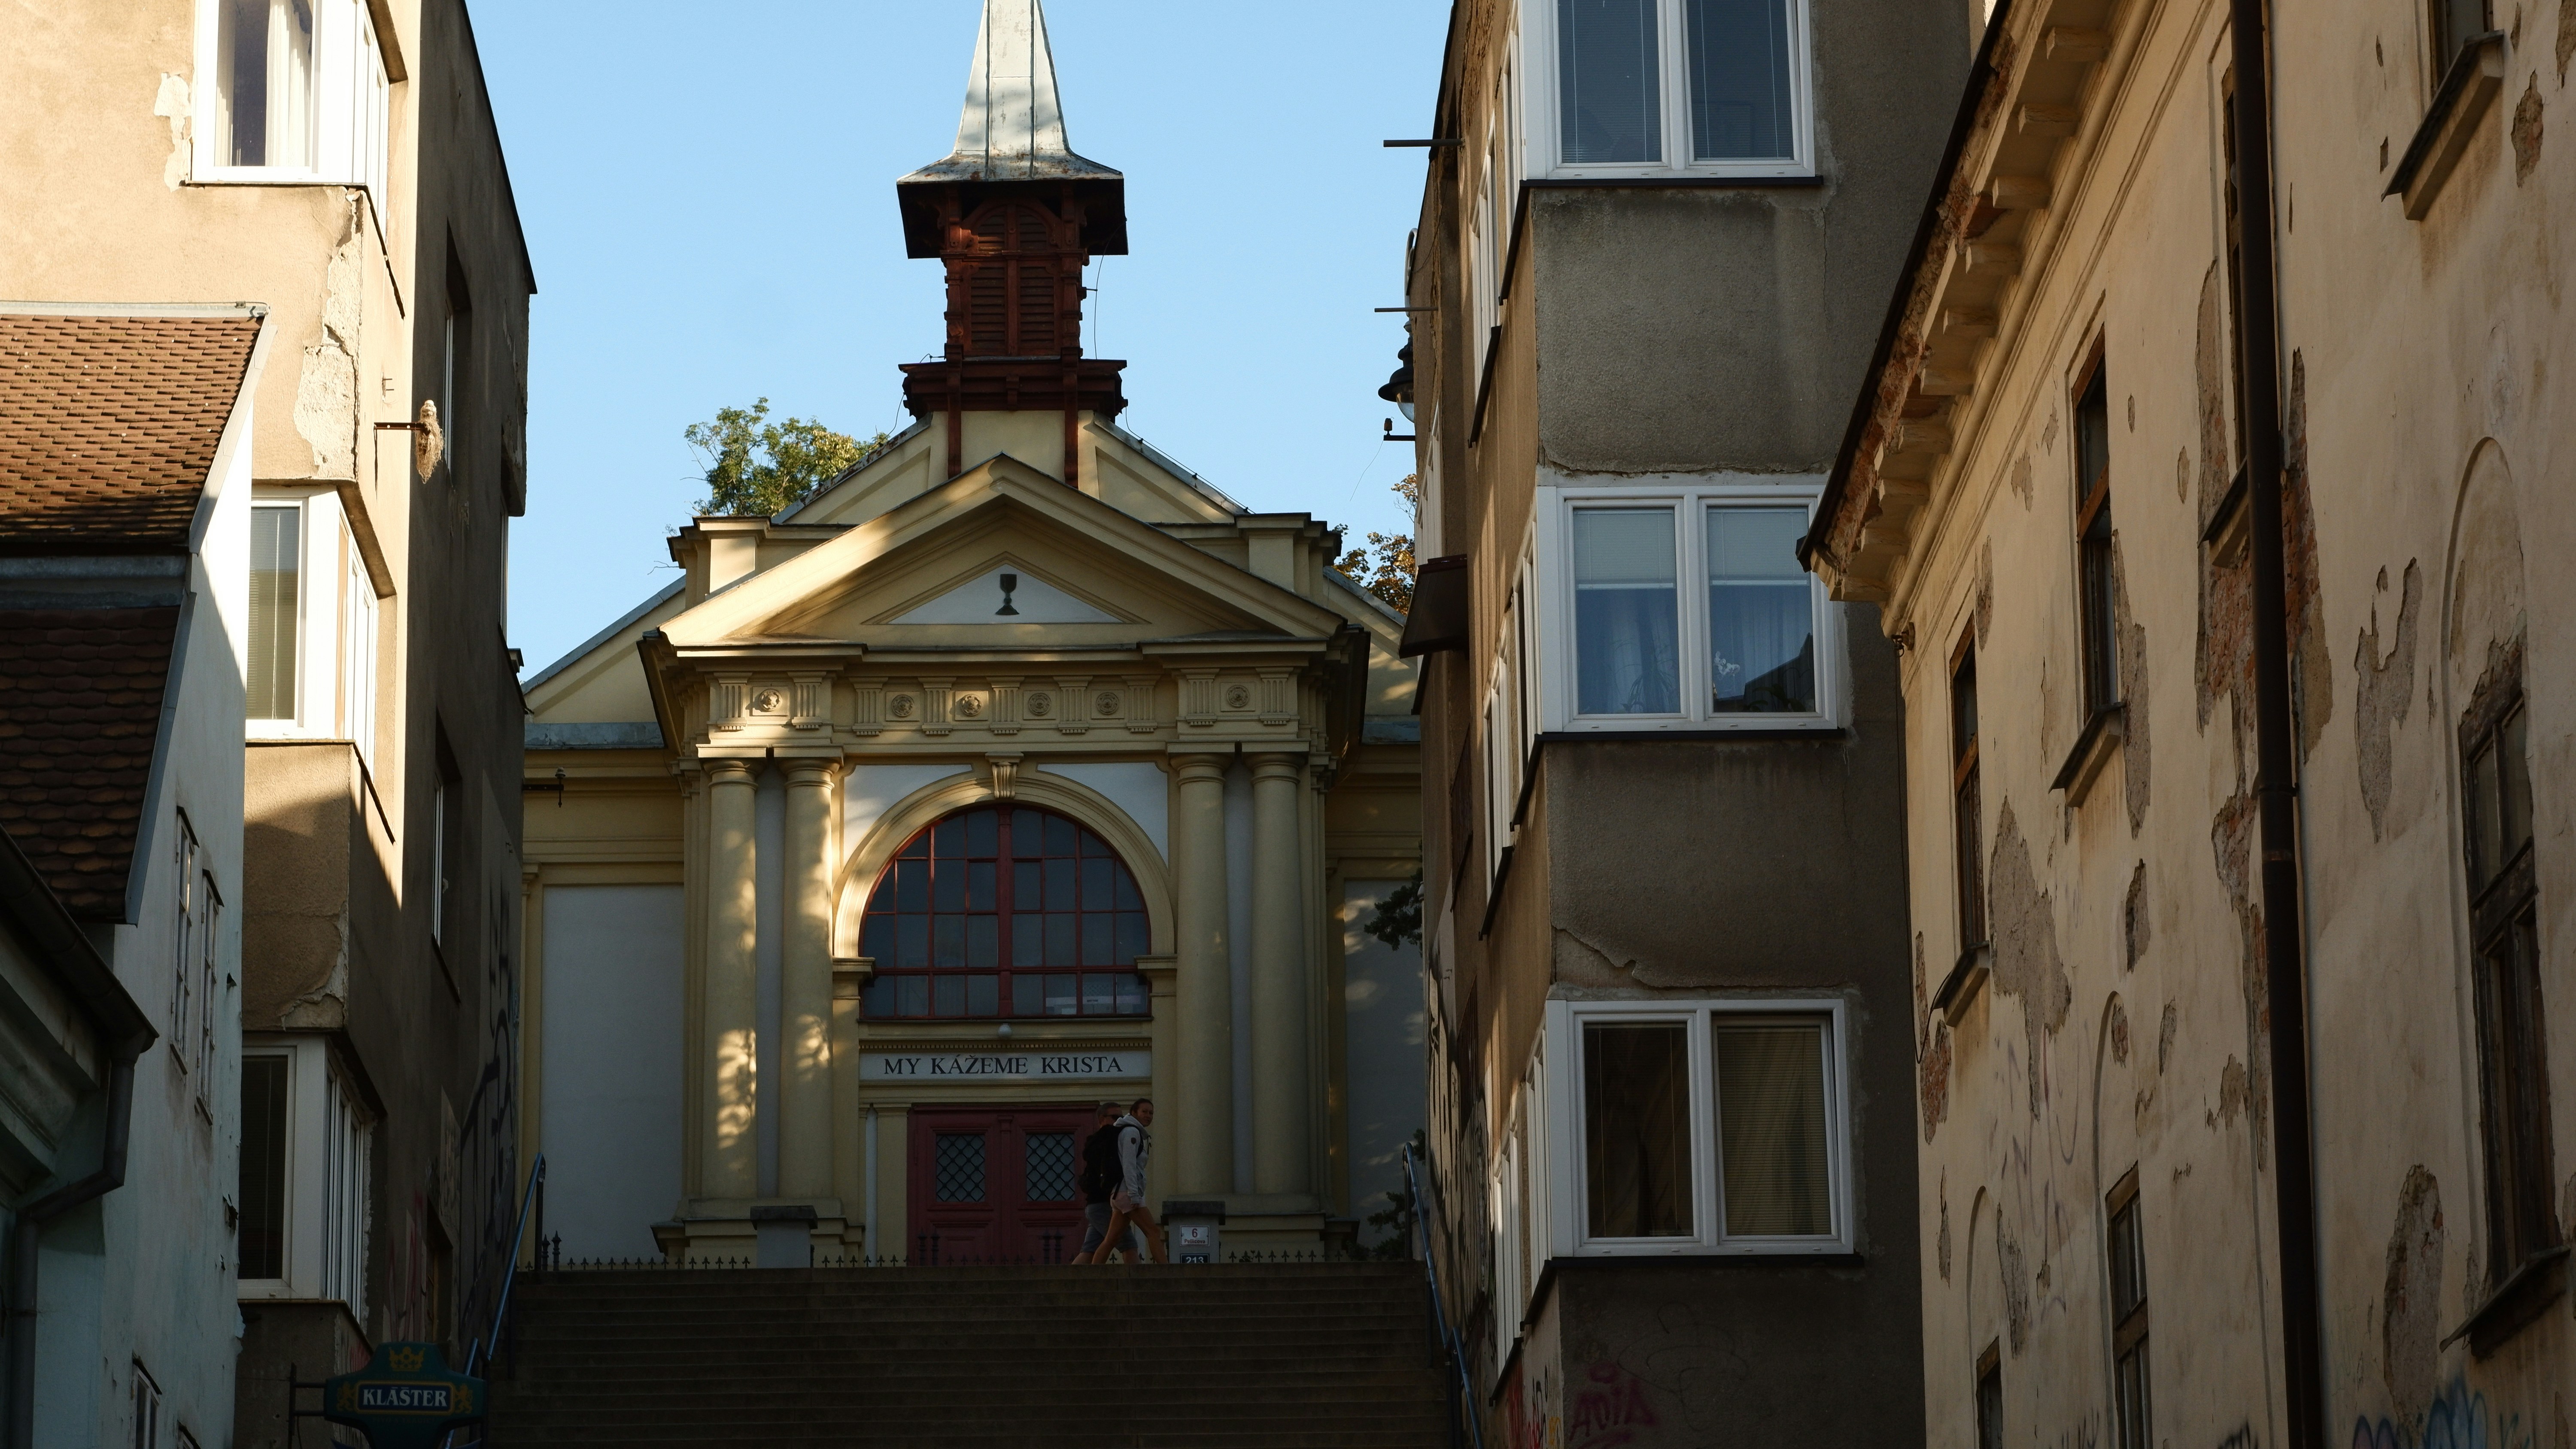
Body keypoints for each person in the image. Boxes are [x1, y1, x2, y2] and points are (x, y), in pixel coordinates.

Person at [1084, 1098, 1166, 1265]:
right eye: (1144, 1112)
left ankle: (1093, 1273)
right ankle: (1167, 1272)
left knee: (1110, 1240)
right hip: (1127, 1194)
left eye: (1151, 1113)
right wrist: (1134, 1194)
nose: (1149, 1116)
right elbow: (1128, 1165)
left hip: (1119, 1194)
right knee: (1153, 1232)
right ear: (1134, 1113)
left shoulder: (1131, 1132)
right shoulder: (1131, 1132)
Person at [1074, 1101, 1143, 1265]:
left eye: (1121, 1117)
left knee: (1089, 1250)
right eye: (1115, 1117)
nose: (1119, 1121)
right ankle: (1138, 1281)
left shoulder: (1097, 1141)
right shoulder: (1110, 1138)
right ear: (1102, 1119)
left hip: (1096, 1205)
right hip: (1105, 1204)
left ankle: (1067, 1280)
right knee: (1129, 1245)